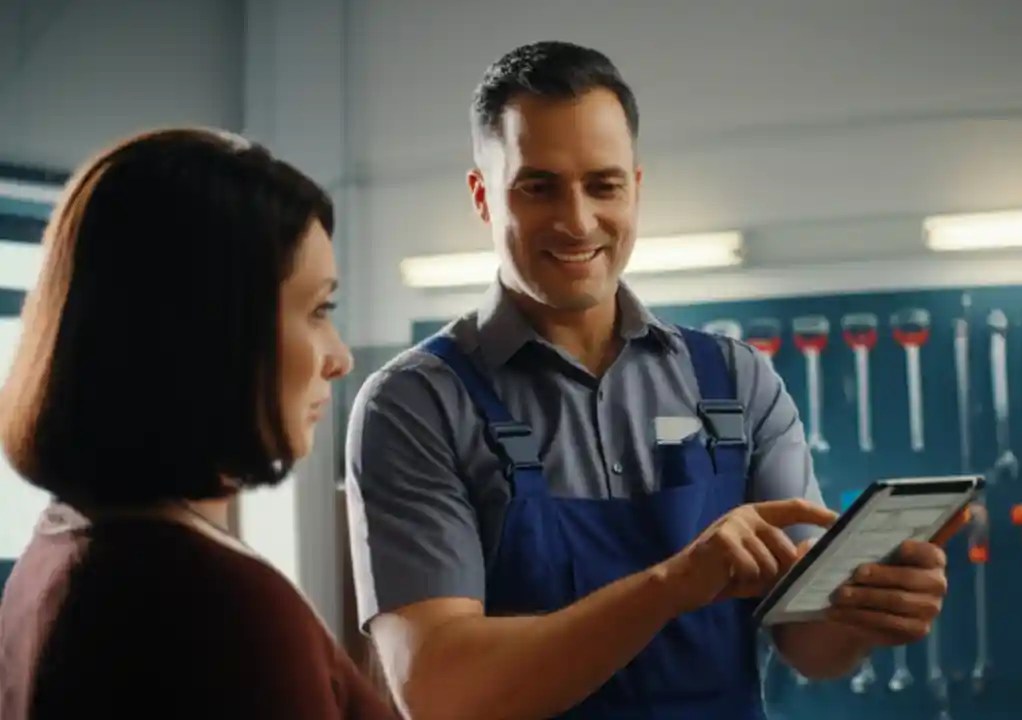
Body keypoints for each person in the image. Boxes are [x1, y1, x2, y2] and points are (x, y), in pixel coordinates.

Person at [345, 41, 949, 719]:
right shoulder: (417, 404)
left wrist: (867, 611)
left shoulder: (736, 383)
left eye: (603, 185)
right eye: (539, 186)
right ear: (484, 197)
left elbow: (809, 646)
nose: (577, 221)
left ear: (636, 187)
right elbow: (441, 691)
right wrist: (668, 587)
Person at [0, 128, 400, 719]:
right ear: (209, 336)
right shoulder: (218, 604)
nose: (339, 357)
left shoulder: (70, 542)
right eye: (317, 311)